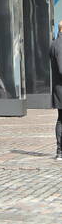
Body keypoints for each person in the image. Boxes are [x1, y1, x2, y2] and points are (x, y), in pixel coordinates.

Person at [51, 24, 62, 159]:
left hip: (58, 89)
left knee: (61, 119)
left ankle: (59, 151)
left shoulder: (55, 43)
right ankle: (60, 150)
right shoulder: (59, 45)